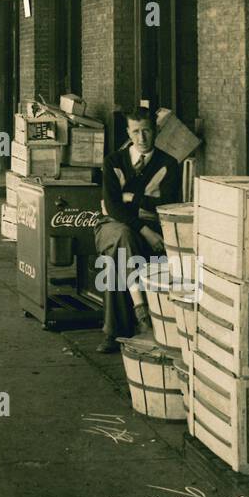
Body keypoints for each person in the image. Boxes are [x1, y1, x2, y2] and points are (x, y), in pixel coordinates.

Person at [94, 108, 181, 352]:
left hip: (149, 228)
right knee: (123, 234)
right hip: (111, 227)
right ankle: (142, 313)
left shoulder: (168, 164)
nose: (141, 138)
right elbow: (112, 208)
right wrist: (145, 228)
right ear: (128, 133)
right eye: (135, 132)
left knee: (117, 257)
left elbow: (169, 204)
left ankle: (113, 332)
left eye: (146, 131)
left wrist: (133, 197)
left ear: (155, 131)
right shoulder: (113, 162)